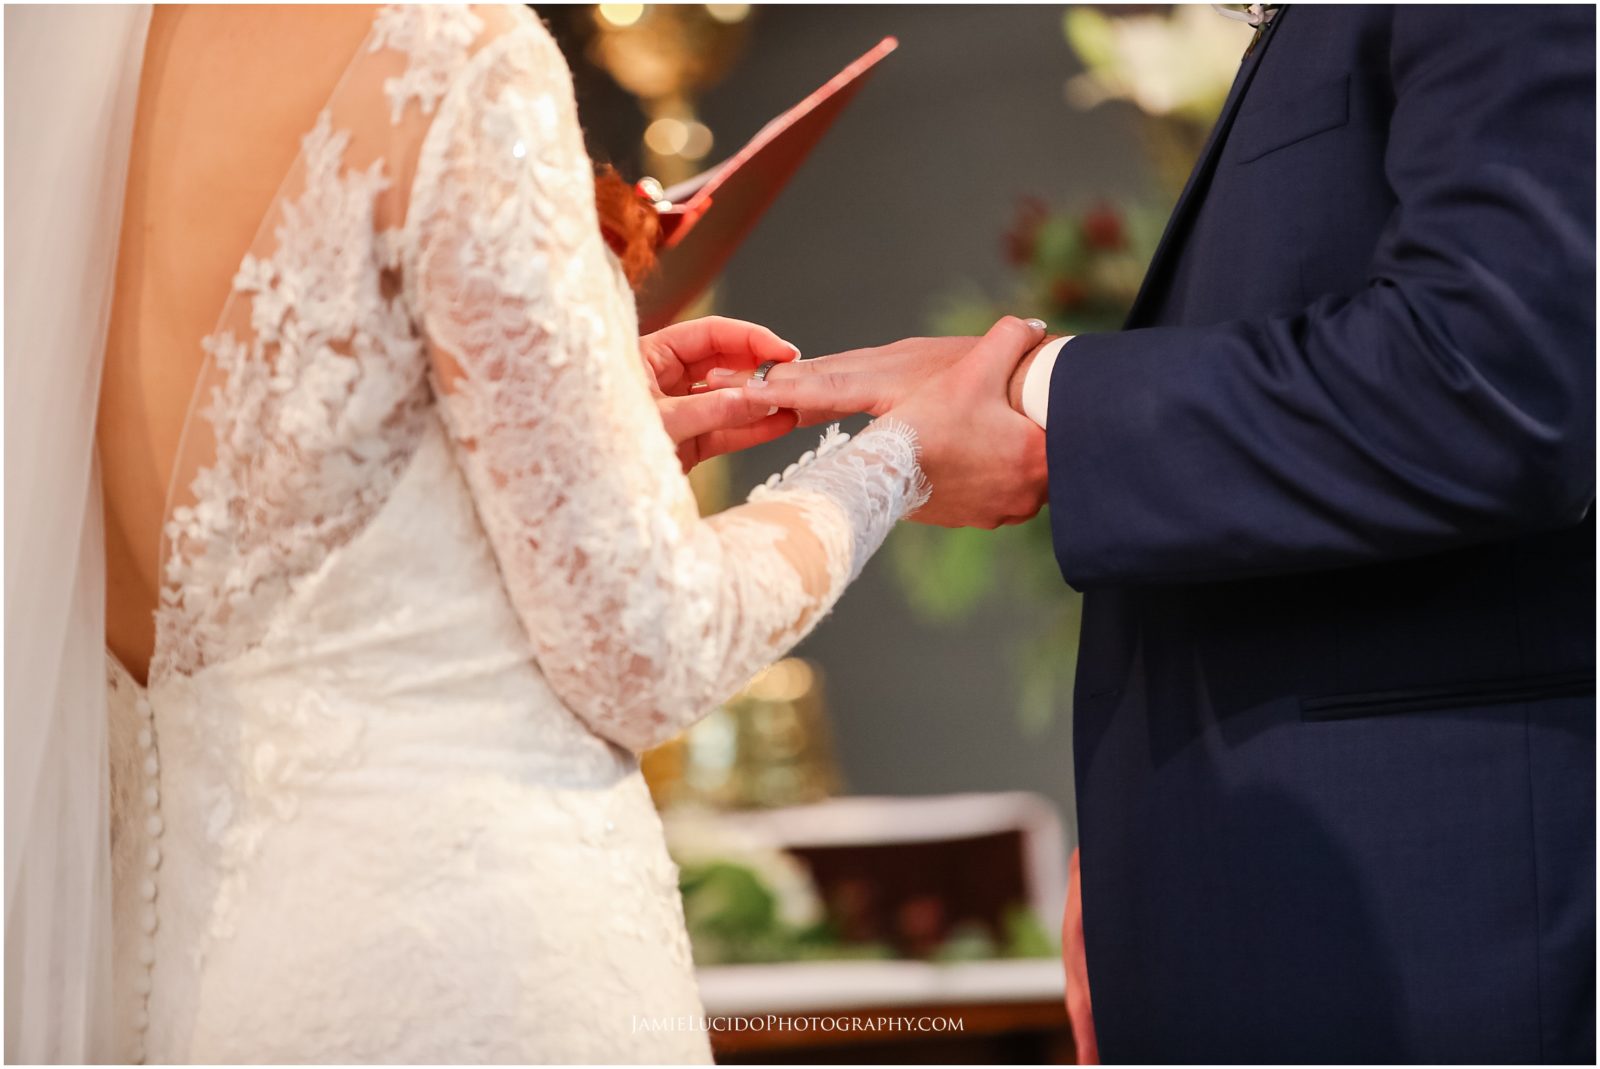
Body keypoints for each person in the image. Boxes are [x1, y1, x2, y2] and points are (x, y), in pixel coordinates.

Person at [6, 4, 1048, 1062]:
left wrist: (577, 433)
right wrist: (894, 461)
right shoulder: (444, 53)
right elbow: (654, 645)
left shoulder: (75, 101)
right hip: (454, 971)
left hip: (185, 990)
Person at [743, 5, 1596, 1062]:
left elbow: (1496, 379)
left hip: (1438, 911)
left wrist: (1041, 399)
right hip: (1272, 894)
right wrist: (1139, 850)